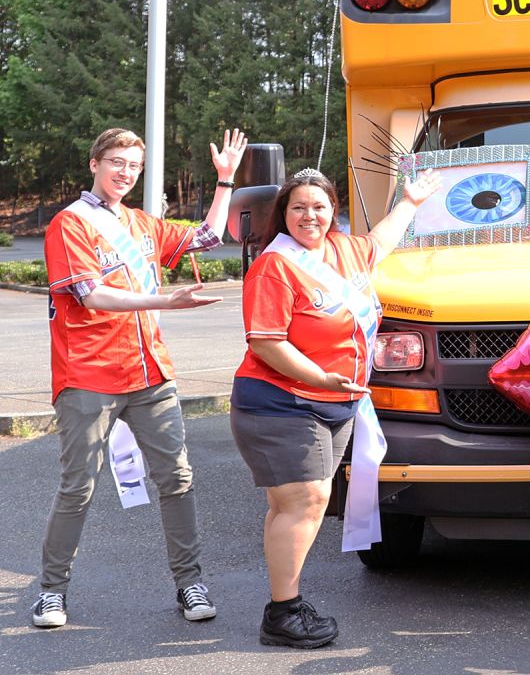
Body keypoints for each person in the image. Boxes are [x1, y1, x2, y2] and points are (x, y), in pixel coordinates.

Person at [32, 125, 248, 630]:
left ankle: (189, 583)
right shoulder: (70, 224)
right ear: (95, 164)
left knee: (177, 479)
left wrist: (224, 181)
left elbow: (207, 237)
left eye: (134, 166)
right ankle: (50, 592)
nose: (125, 173)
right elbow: (91, 295)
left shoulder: (140, 223)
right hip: (88, 374)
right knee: (78, 487)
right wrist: (165, 300)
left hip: (150, 372)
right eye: (117, 163)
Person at [230, 165, 440, 649]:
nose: (310, 216)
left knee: (289, 504)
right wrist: (319, 377)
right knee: (306, 502)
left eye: (319, 206)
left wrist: (408, 202)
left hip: (334, 400)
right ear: (283, 213)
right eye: (298, 207)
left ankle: (285, 601)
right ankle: (283, 613)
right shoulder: (273, 266)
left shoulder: (344, 249)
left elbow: (380, 243)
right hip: (282, 402)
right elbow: (266, 343)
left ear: (332, 211)